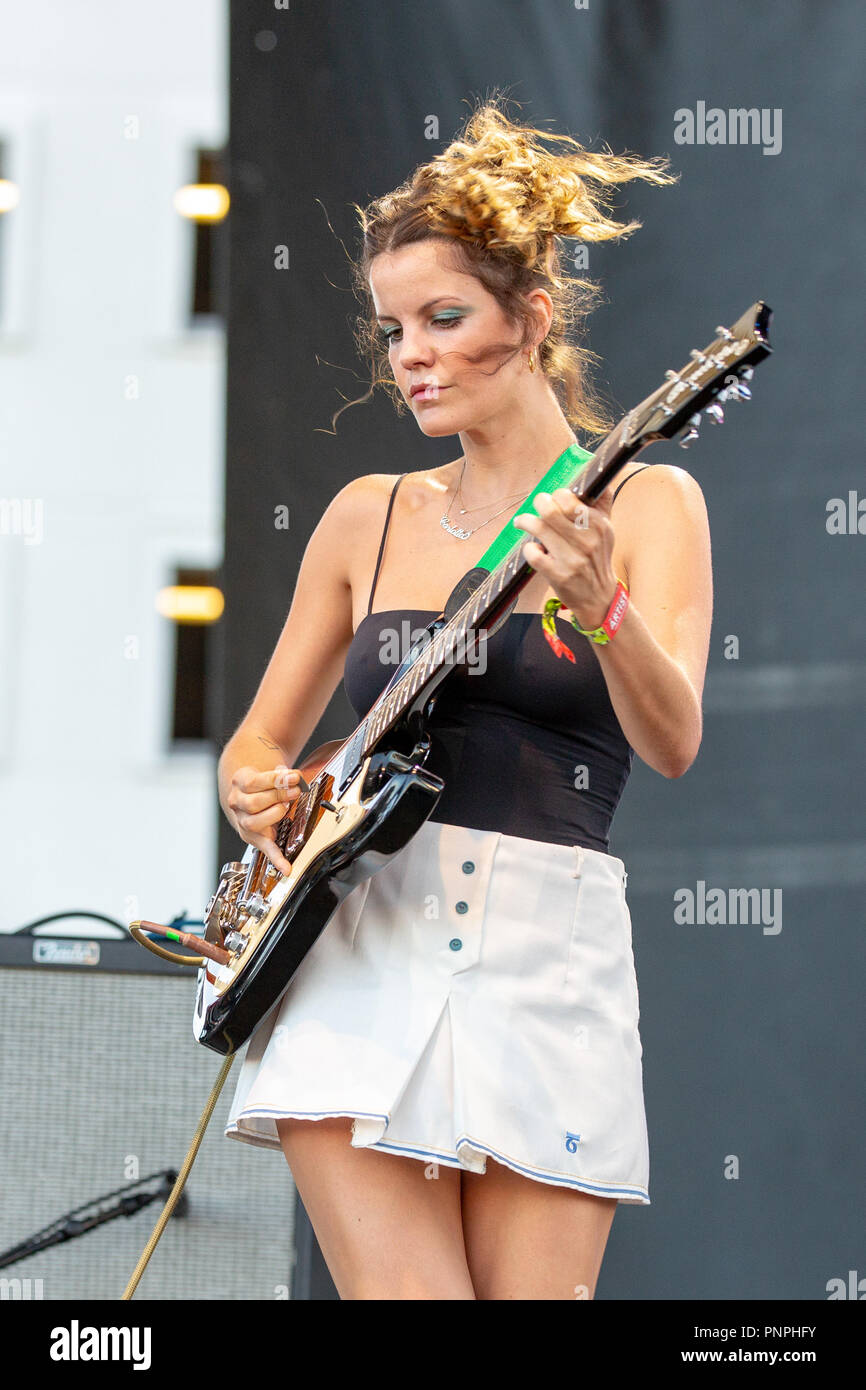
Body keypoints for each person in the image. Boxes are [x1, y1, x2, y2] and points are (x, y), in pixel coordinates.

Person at [217, 101, 712, 1300]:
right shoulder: (363, 513)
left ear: (529, 321)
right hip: (364, 940)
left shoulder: (647, 502)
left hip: (551, 951)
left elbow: (674, 739)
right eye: (392, 328)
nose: (410, 355)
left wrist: (601, 609)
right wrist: (253, 785)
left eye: (444, 318)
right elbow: (258, 743)